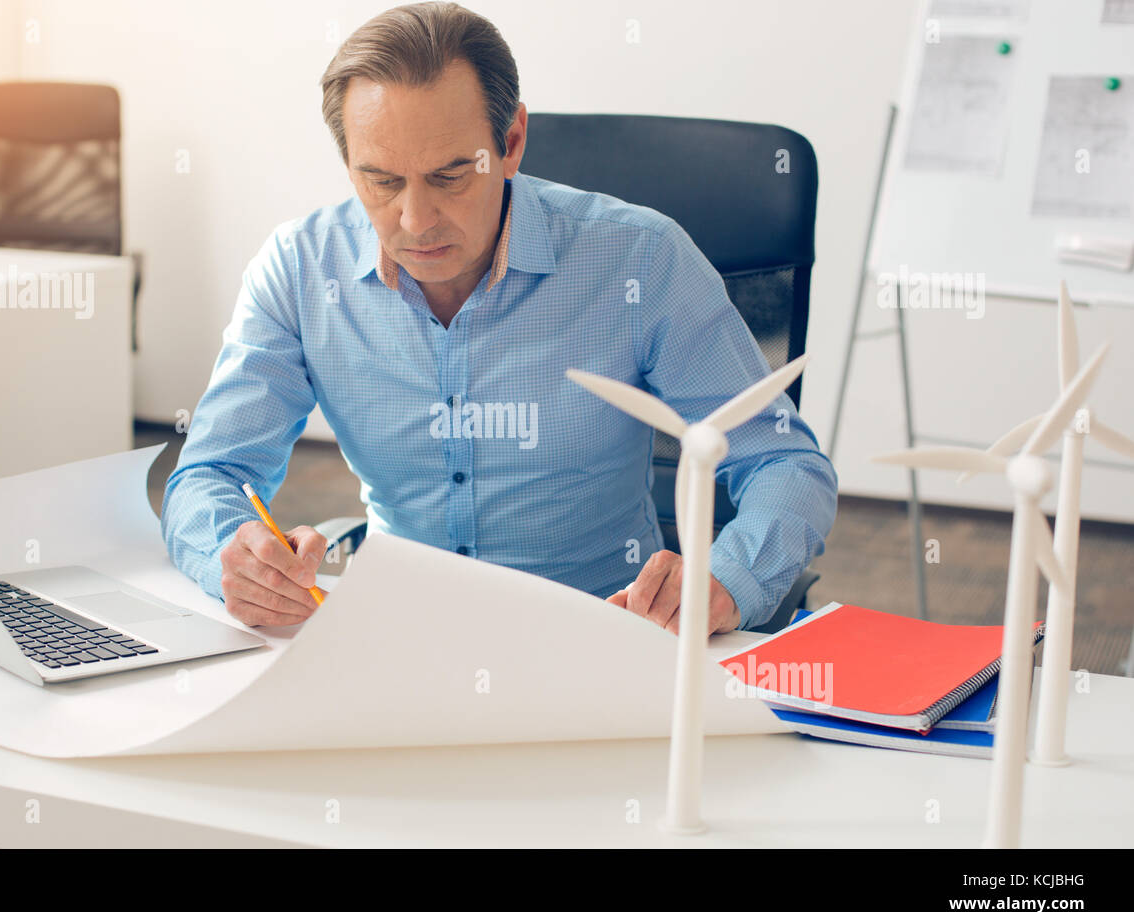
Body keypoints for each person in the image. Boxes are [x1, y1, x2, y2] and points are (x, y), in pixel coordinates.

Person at [162, 1, 837, 637]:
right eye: (381, 181)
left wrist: (726, 578)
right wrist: (233, 553)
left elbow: (783, 462)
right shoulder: (300, 269)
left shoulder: (641, 260)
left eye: (451, 175)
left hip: (600, 640)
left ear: (511, 140)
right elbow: (208, 474)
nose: (415, 221)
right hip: (398, 641)